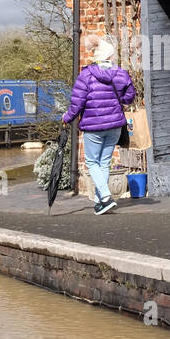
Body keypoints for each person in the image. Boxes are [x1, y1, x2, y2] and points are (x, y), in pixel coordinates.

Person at [62, 38, 136, 215]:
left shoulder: (86, 75)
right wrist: (118, 101)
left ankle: (105, 197)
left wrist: (67, 117)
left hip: (93, 126)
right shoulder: (120, 73)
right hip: (115, 125)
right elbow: (129, 96)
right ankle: (100, 203)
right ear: (109, 55)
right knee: (104, 162)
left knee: (91, 162)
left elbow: (77, 103)